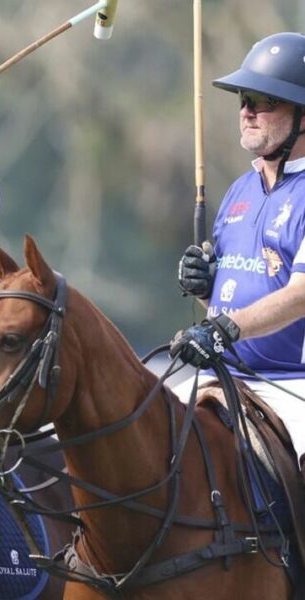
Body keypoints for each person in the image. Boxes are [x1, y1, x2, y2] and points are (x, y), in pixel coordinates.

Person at [172, 32, 305, 479]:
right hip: (224, 378)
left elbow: (300, 295)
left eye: (266, 100)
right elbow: (232, 298)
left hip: (290, 385)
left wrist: (224, 327)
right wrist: (207, 290)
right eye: (244, 98)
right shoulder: (239, 191)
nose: (247, 110)